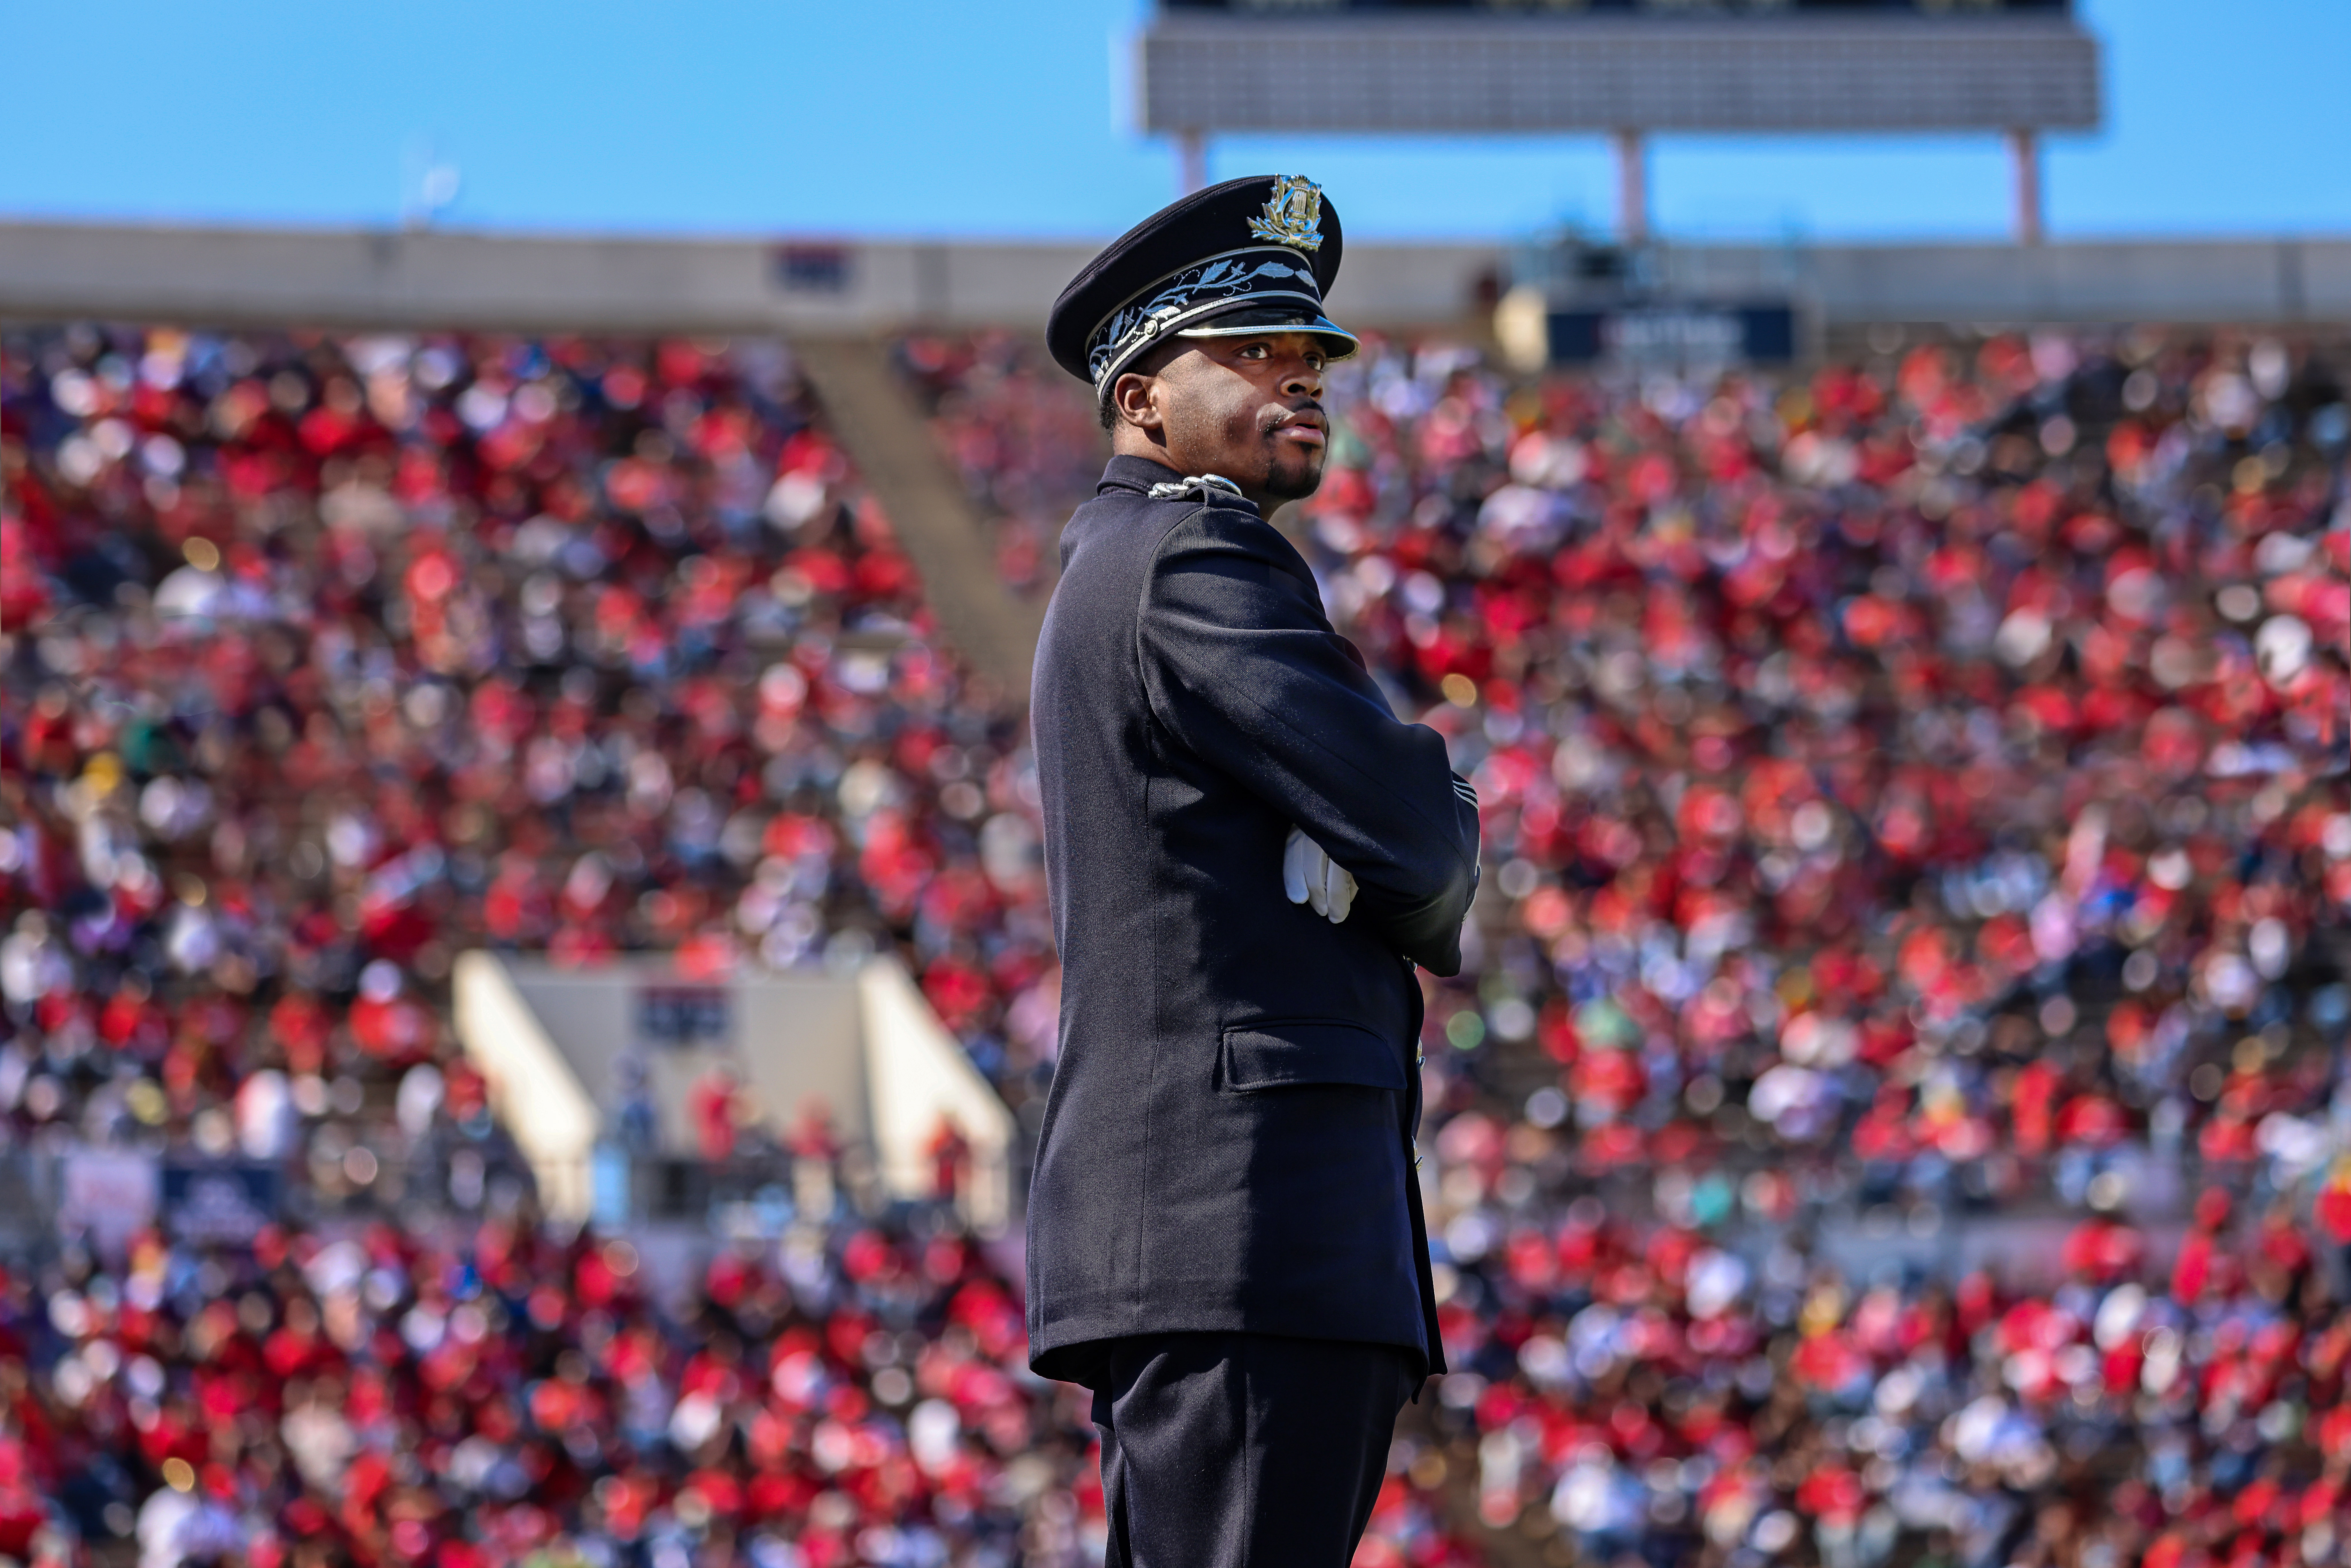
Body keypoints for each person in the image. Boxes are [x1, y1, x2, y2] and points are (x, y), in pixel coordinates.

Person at [1024, 175, 1482, 1565]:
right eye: (1250, 353)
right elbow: (1421, 838)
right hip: (1243, 1227)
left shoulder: (1135, 555)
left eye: (1309, 358)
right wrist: (1414, 810)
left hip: (1217, 1241)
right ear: (1140, 397)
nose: (1300, 381)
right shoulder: (1192, 553)